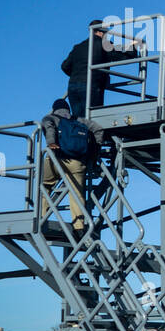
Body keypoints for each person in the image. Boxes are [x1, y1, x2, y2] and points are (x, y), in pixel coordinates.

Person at [39, 98, 104, 233]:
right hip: (77, 163)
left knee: (44, 185)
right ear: (68, 109)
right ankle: (79, 226)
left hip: (56, 159)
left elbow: (48, 125)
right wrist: (94, 153)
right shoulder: (78, 120)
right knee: (76, 193)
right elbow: (98, 129)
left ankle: (40, 218)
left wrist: (51, 142)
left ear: (54, 109)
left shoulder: (50, 117)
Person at [61, 20, 113, 116]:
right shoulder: (104, 44)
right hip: (91, 86)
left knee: (79, 122)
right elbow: (121, 56)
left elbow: (65, 66)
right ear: (101, 31)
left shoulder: (78, 47)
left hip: (73, 86)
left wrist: (77, 74)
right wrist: (133, 47)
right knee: (93, 119)